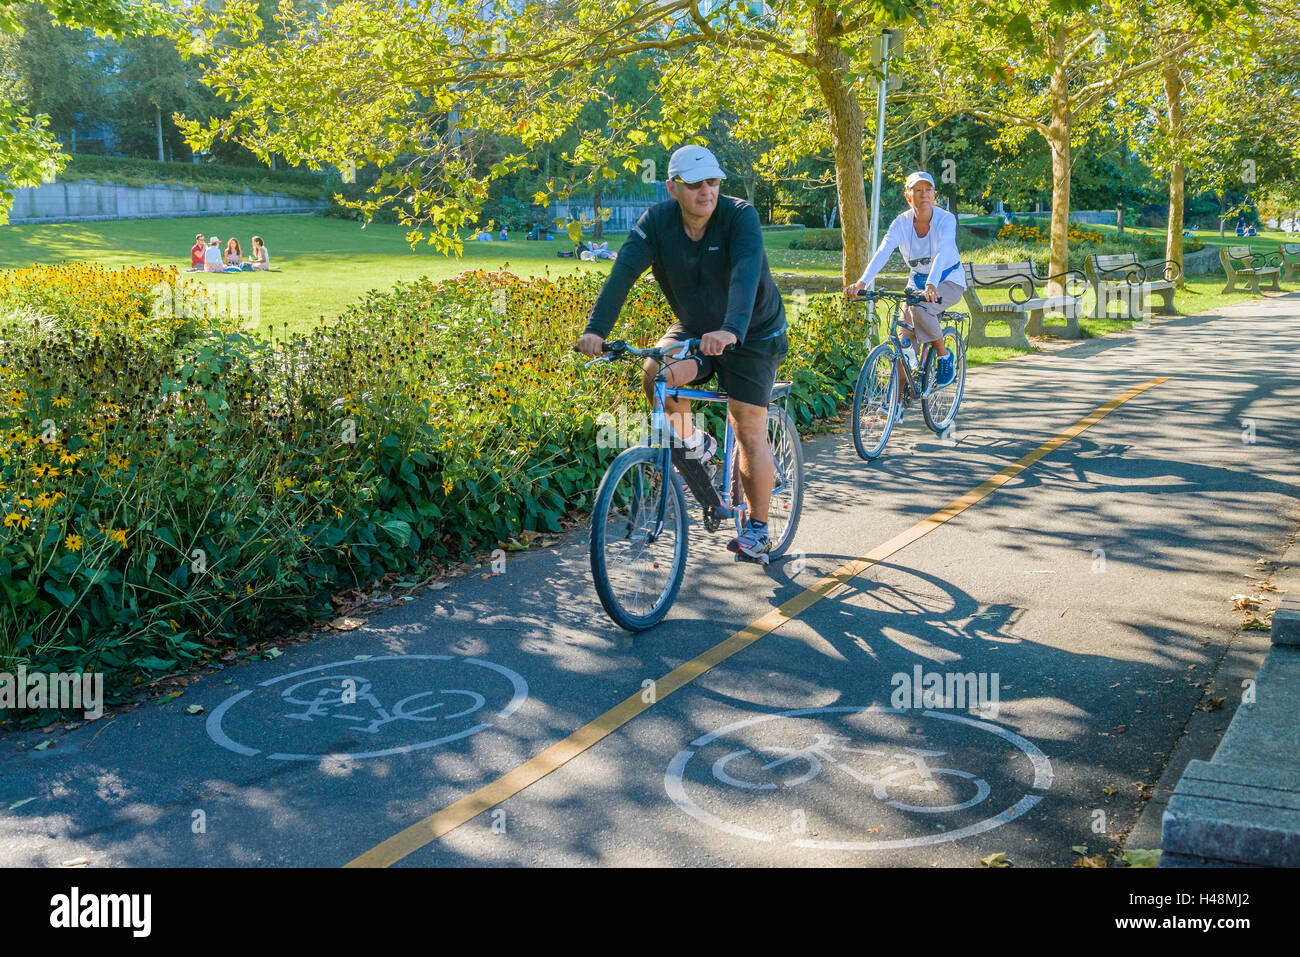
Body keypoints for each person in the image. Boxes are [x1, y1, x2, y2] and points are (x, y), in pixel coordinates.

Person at [573, 144, 788, 561]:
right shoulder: (656, 222)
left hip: (754, 332)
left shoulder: (740, 216)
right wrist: (595, 331)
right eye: (694, 185)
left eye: (713, 182)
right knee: (656, 374)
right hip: (696, 328)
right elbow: (622, 274)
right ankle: (697, 447)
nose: (706, 191)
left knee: (747, 426)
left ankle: (759, 529)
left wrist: (730, 330)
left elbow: (745, 272)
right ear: (673, 187)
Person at [845, 171, 960, 387]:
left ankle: (944, 356)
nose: (923, 195)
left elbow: (943, 252)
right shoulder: (901, 223)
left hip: (948, 279)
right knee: (904, 340)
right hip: (917, 282)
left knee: (918, 308)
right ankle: (894, 405)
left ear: (934, 194)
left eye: (928, 190)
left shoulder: (946, 220)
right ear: (908, 196)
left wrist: (932, 283)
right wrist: (862, 283)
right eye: (918, 190)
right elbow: (883, 250)